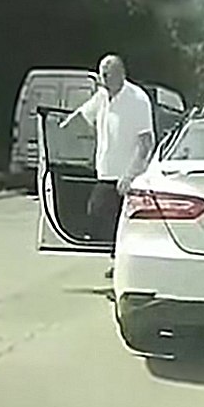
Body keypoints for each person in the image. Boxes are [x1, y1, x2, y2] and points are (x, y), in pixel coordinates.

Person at [61, 55, 155, 278]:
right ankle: (119, 260)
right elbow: (83, 115)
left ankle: (125, 266)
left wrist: (130, 175)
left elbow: (146, 143)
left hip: (126, 177)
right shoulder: (102, 96)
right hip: (105, 173)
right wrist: (58, 128)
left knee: (124, 224)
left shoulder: (137, 99)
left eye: (108, 74)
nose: (103, 78)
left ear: (121, 74)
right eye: (101, 74)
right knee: (100, 215)